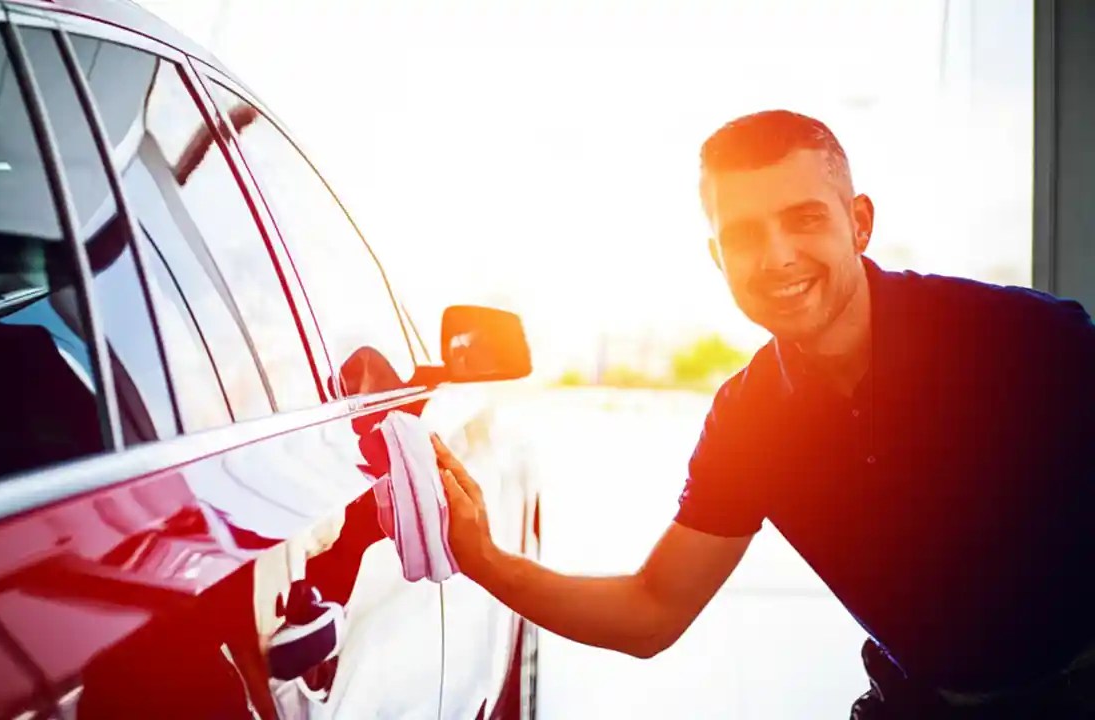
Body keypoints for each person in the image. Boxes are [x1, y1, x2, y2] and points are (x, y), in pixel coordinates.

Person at [431, 109, 1095, 718]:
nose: (777, 256)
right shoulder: (750, 421)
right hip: (920, 701)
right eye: (745, 235)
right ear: (718, 258)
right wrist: (487, 560)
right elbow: (652, 611)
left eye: (805, 219)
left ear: (859, 222)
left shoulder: (1019, 340)